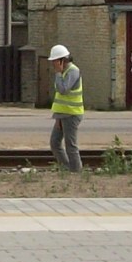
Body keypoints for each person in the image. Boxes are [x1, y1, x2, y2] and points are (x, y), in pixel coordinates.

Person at [48, 44, 84, 172]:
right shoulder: (63, 72)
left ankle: (76, 171)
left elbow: (63, 90)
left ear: (61, 60)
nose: (53, 64)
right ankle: (67, 168)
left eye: (54, 61)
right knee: (55, 143)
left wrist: (58, 73)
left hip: (72, 114)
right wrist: (58, 117)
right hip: (63, 114)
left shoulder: (73, 71)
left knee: (71, 145)